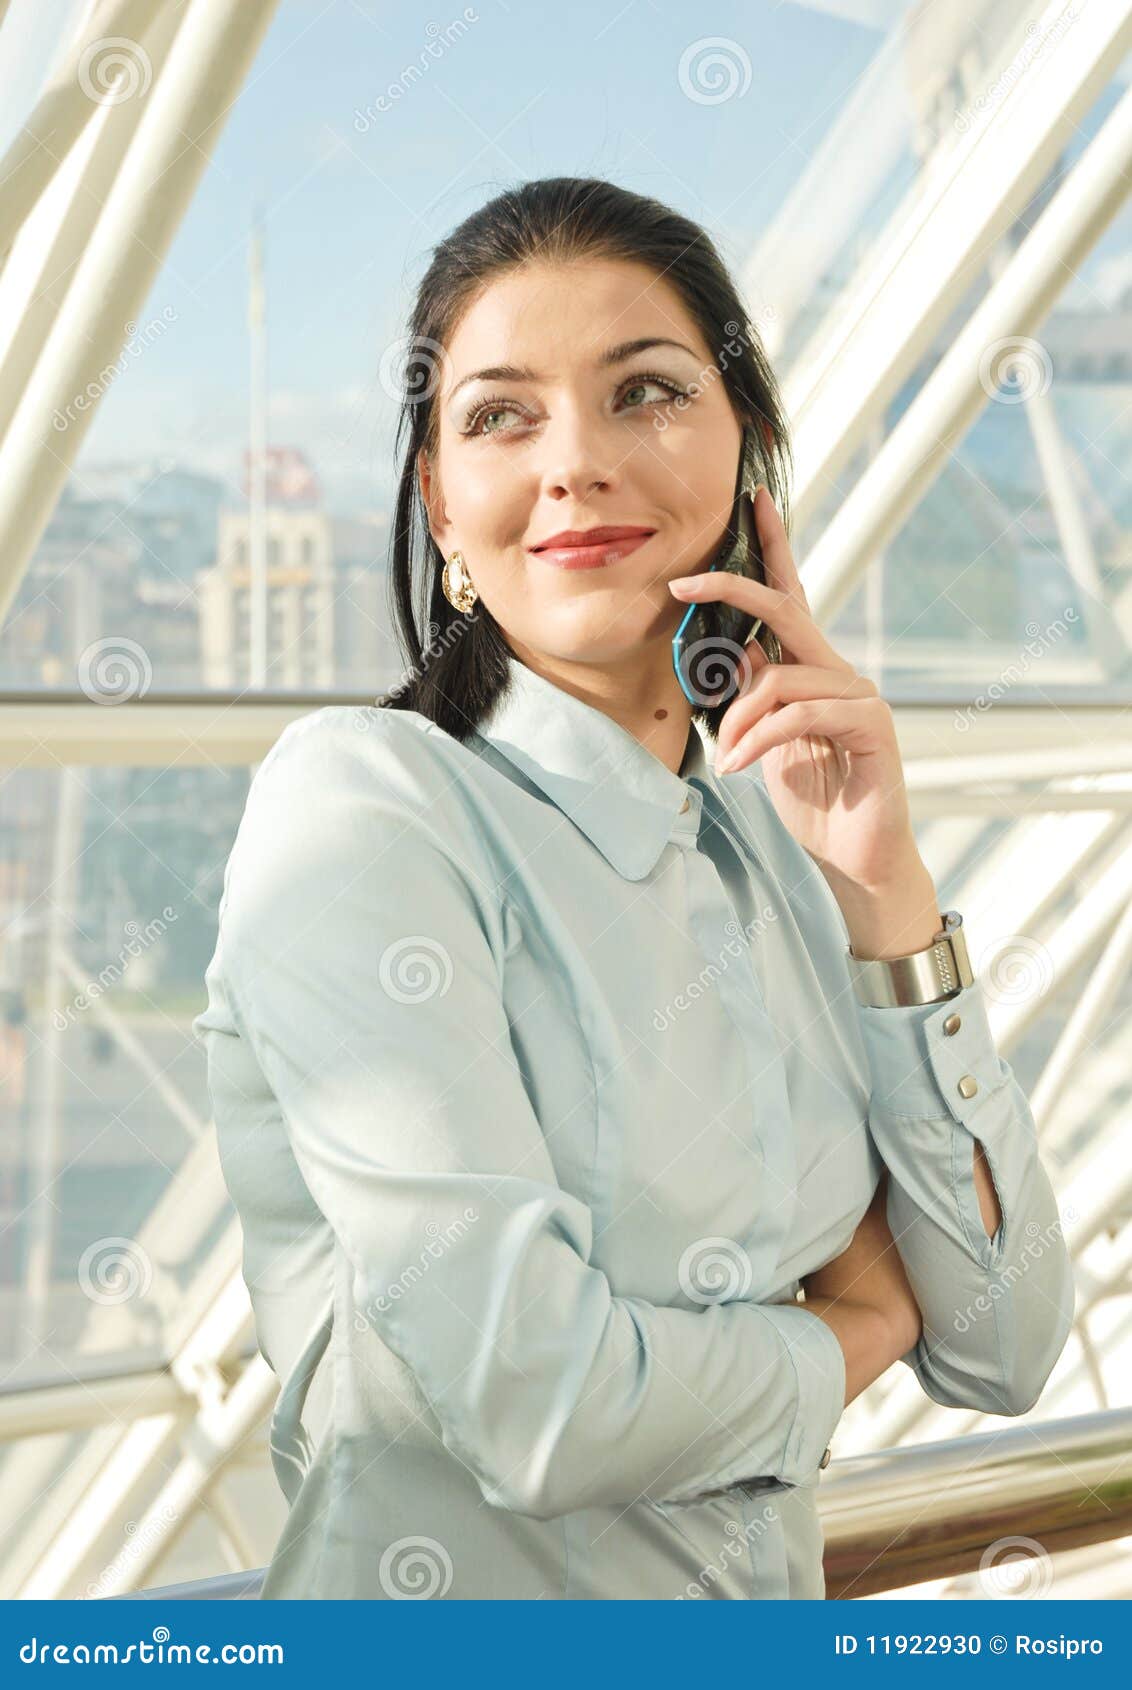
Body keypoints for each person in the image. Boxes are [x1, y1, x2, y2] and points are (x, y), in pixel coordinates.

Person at [193, 176, 1075, 1601]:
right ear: (439, 502)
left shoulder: (785, 847)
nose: (576, 463)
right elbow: (540, 1404)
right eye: (500, 416)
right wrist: (850, 1330)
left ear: (746, 447)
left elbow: (1006, 1341)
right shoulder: (367, 807)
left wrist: (887, 894)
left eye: (646, 393)